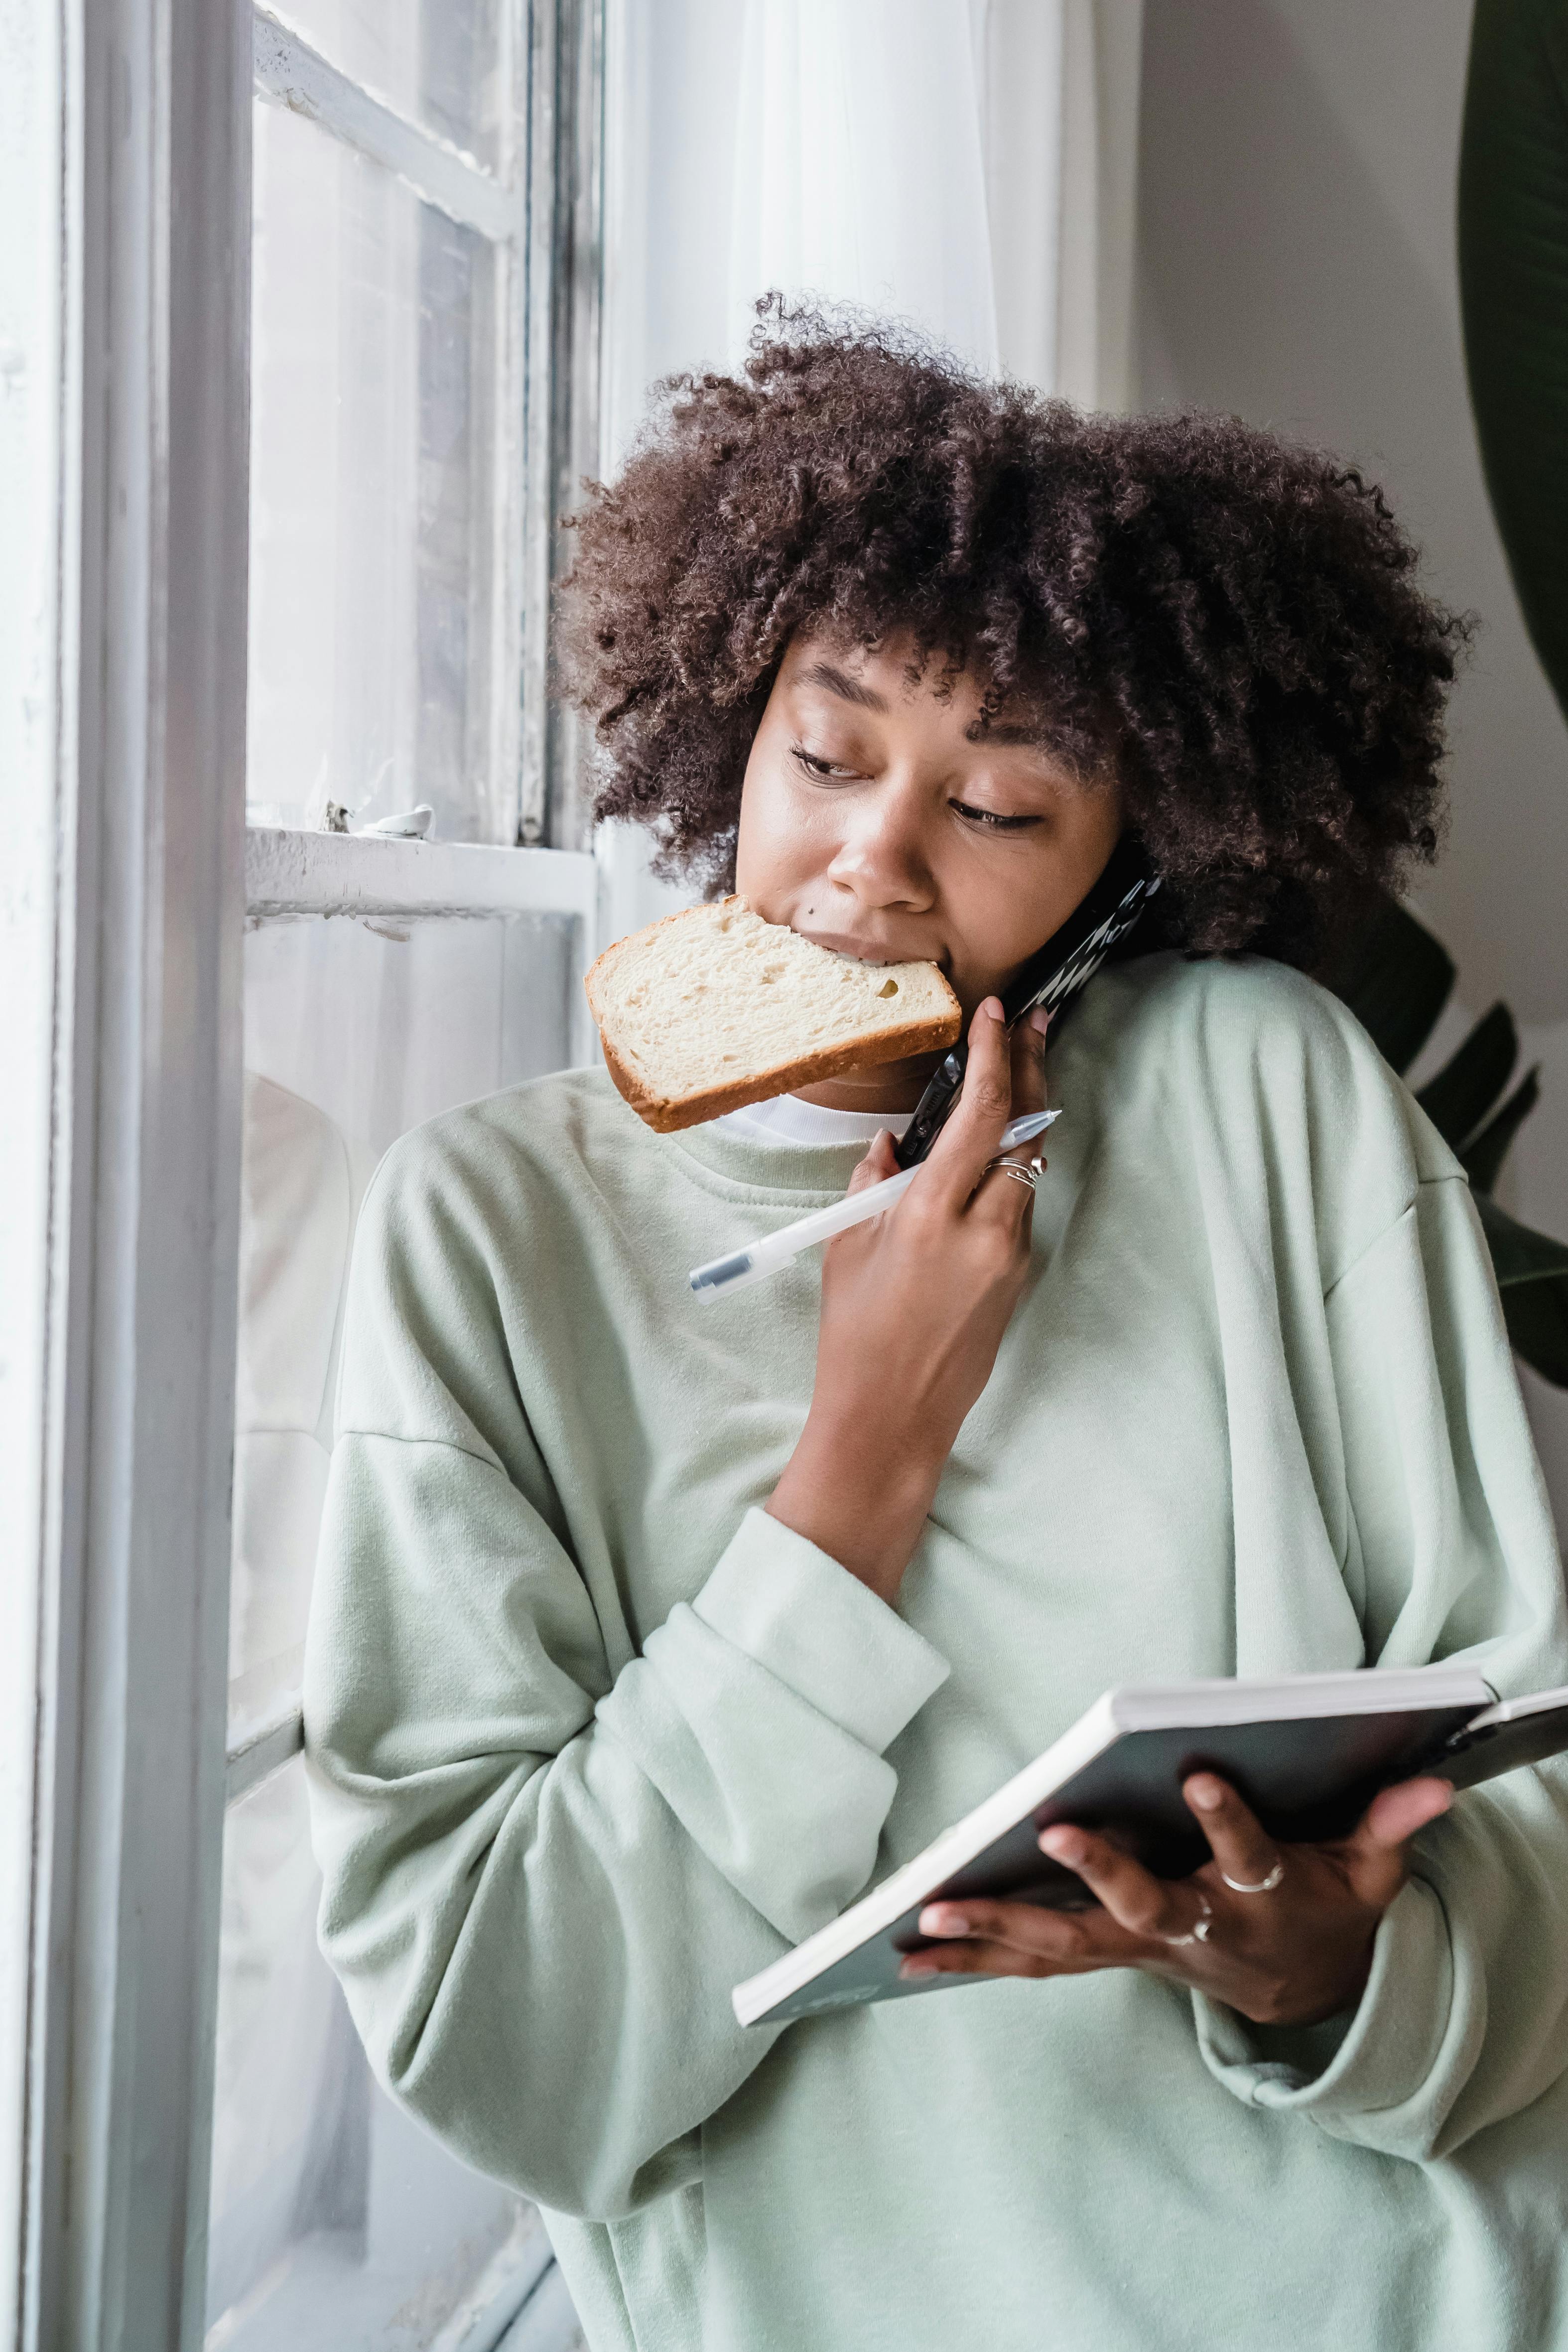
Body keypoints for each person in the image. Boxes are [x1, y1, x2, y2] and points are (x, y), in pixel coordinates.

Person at [304, 308, 1568, 2352]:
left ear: (1119, 873)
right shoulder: (487, 1234)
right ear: (723, 716)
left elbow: (1525, 1804)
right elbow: (514, 2052)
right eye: (826, 750)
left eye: (1000, 807)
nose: (872, 854)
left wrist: (1328, 1970)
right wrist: (855, 1468)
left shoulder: (1271, 1098)